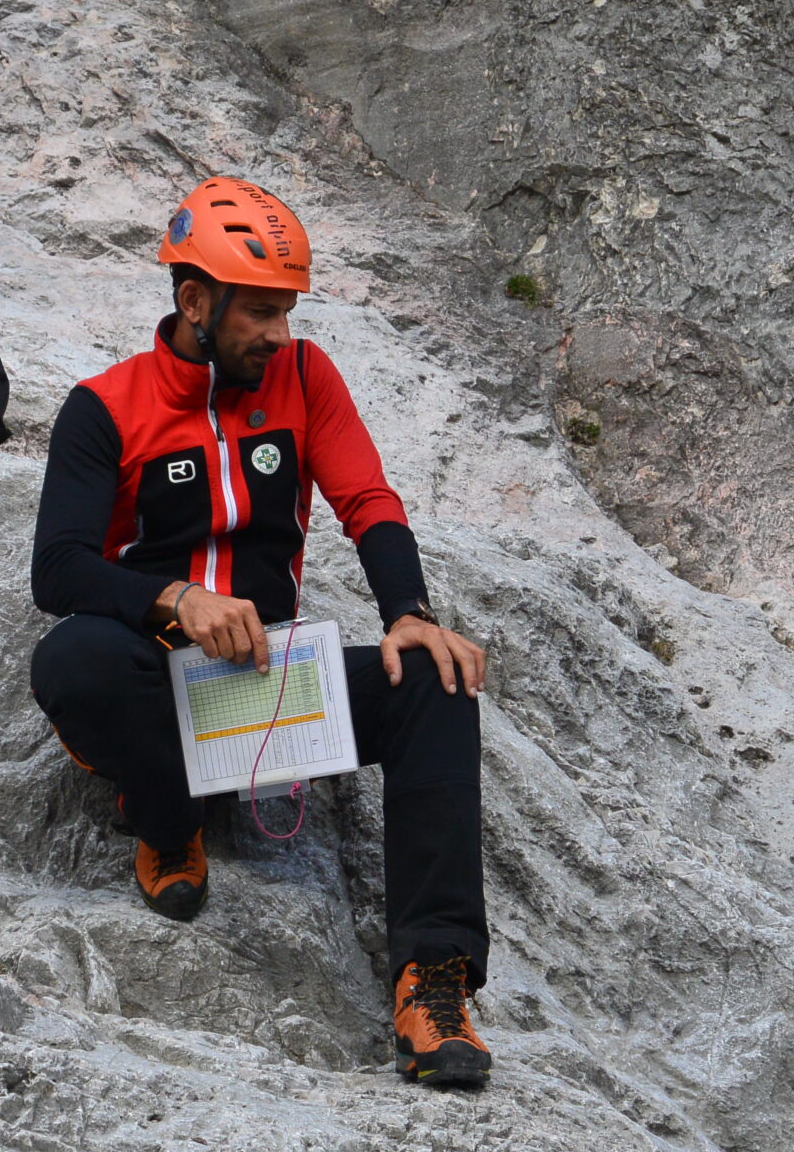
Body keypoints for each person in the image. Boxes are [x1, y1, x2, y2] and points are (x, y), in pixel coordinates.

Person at [27, 177, 493, 1087]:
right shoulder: (104, 407)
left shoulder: (306, 376)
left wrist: (409, 613)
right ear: (194, 299)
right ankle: (166, 822)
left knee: (436, 681)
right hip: (159, 680)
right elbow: (60, 568)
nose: (280, 334)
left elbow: (367, 500)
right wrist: (174, 602)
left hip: (269, 688)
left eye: (287, 312)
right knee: (72, 659)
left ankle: (431, 984)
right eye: (261, 313)